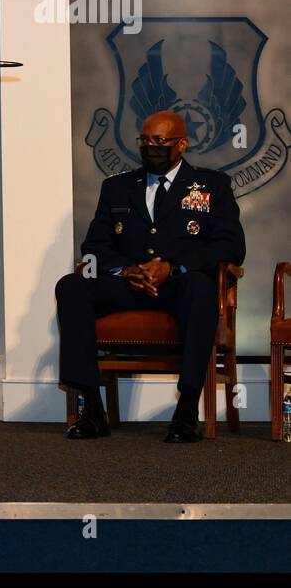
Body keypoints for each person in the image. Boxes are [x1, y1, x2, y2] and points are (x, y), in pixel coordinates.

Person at [57, 110, 245, 443]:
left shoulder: (213, 185)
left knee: (201, 288)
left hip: (178, 286)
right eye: (145, 140)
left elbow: (230, 245)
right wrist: (127, 269)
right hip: (128, 284)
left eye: (160, 141)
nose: (151, 147)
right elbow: (94, 245)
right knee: (71, 287)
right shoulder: (116, 187)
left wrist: (172, 266)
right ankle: (93, 410)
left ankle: (187, 410)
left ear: (182, 144)